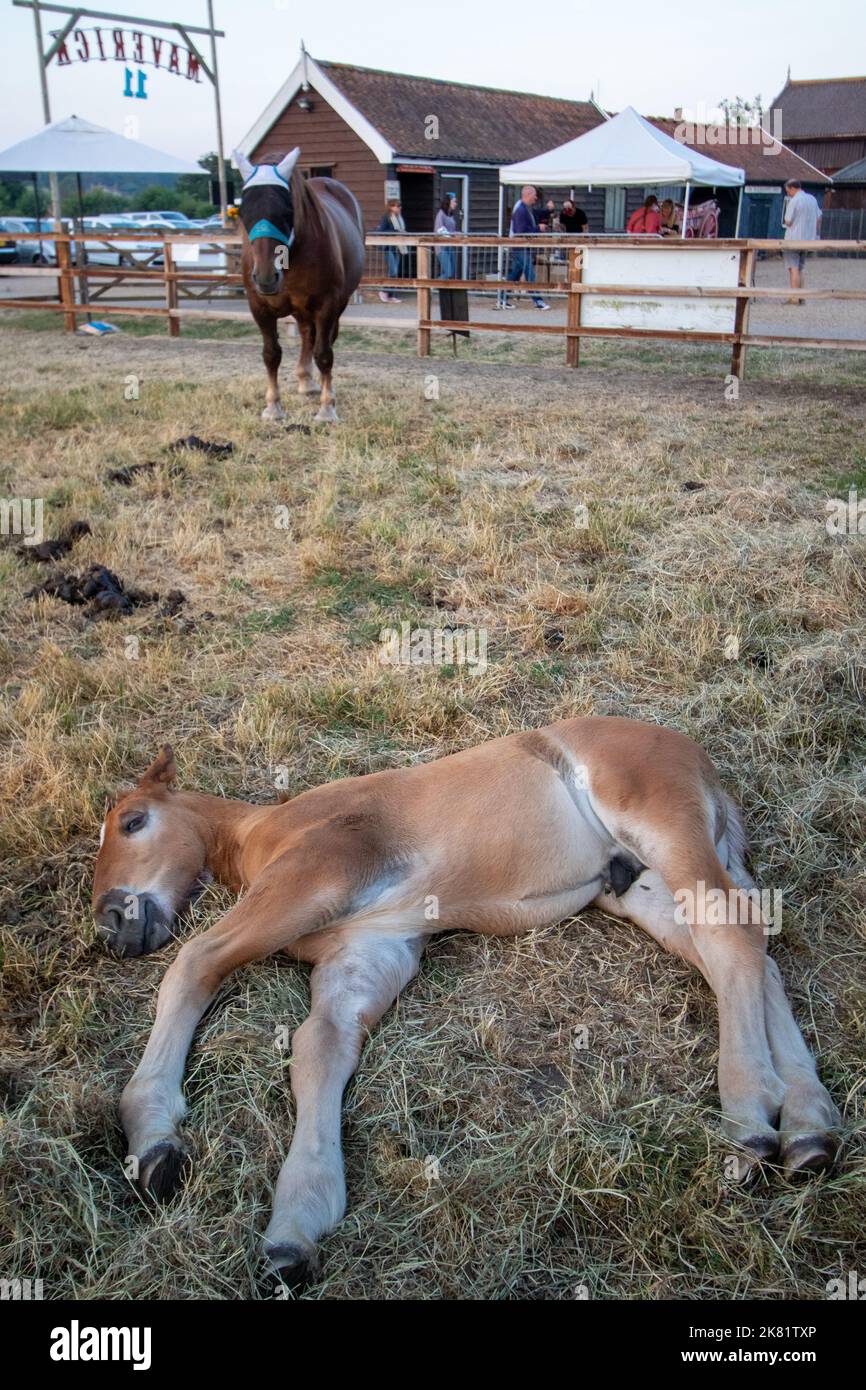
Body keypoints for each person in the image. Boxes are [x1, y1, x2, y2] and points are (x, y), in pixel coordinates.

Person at [497, 185, 549, 310]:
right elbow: (521, 231)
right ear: (528, 195)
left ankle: (502, 298)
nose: (536, 198)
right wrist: (538, 228)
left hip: (520, 247)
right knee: (530, 273)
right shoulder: (521, 210)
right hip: (520, 247)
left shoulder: (523, 208)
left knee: (514, 274)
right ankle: (538, 301)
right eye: (534, 195)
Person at [783, 179, 821, 304]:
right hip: (808, 239)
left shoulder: (794, 201)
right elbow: (818, 217)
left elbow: (788, 221)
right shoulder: (812, 199)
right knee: (800, 268)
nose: (788, 193)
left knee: (793, 268)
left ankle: (794, 297)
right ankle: (801, 296)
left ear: (792, 188)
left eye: (788, 191)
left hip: (793, 239)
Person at [375, 199, 407, 302]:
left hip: (397, 247)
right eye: (397, 206)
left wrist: (402, 232)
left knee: (395, 272)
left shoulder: (399, 218)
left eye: (400, 206)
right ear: (391, 207)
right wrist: (396, 231)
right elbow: (381, 231)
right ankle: (384, 291)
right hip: (388, 247)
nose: (399, 208)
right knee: (393, 271)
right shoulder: (386, 218)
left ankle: (392, 294)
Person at [434, 192, 459, 279]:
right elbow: (440, 230)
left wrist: (457, 234)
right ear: (448, 202)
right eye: (454, 201)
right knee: (448, 272)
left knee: (452, 272)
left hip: (450, 246)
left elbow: (451, 230)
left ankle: (446, 291)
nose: (456, 204)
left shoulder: (450, 214)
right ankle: (433, 285)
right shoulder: (441, 214)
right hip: (442, 247)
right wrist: (452, 236)